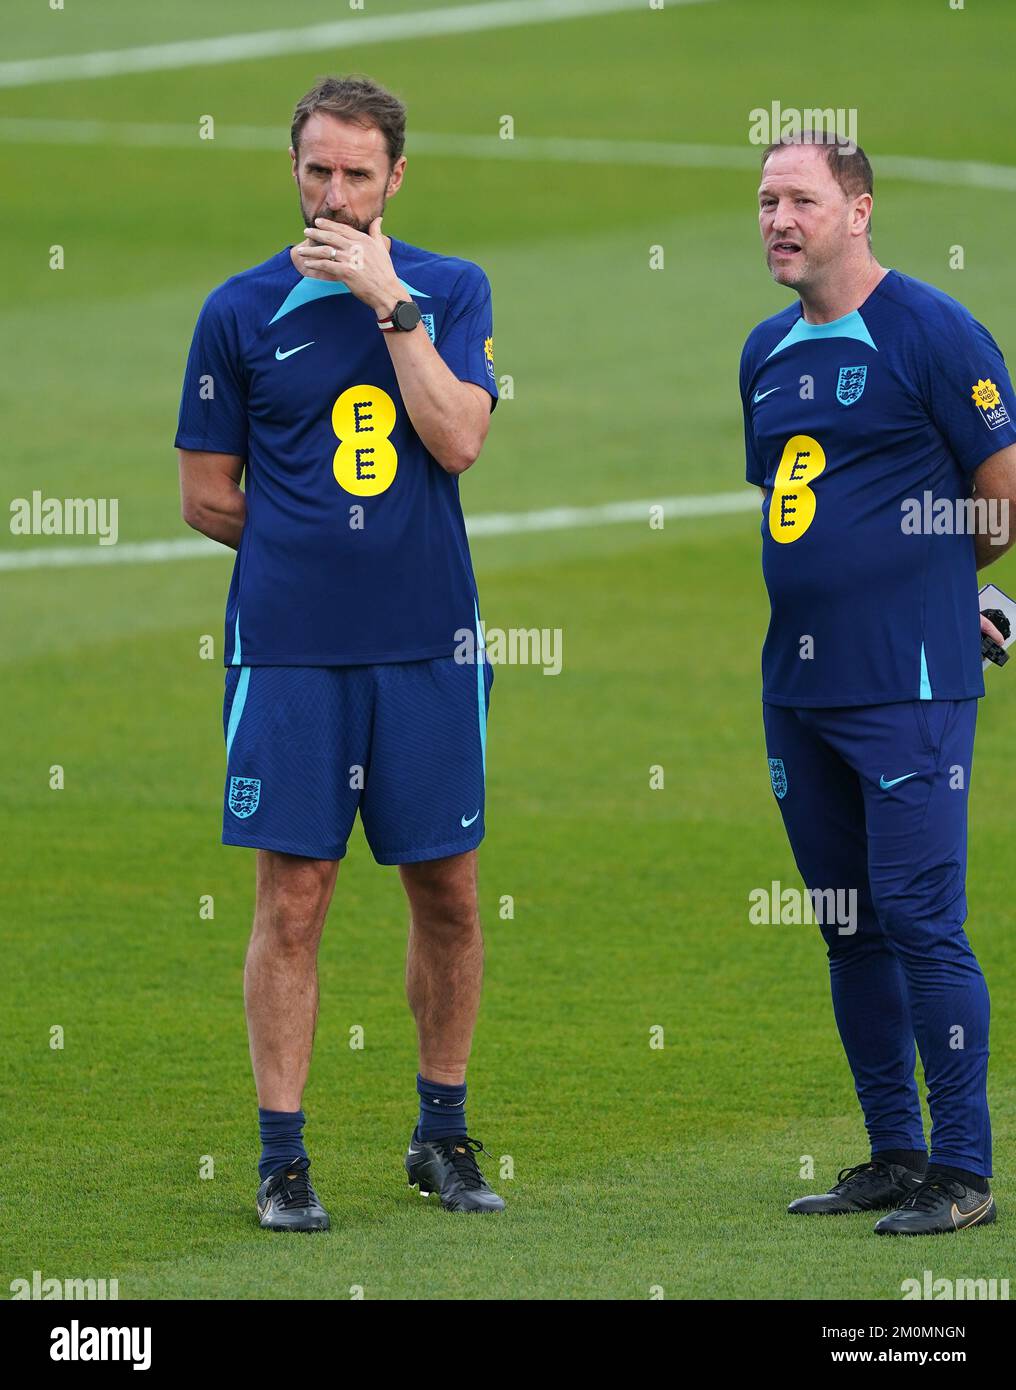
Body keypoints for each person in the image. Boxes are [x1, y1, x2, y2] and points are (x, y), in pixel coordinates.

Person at [176, 74, 504, 1230]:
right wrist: (315, 546)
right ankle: (280, 1159)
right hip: (293, 653)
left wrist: (389, 304)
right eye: (316, 169)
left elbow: (458, 437)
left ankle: (442, 1133)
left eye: (357, 173)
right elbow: (205, 493)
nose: (334, 192)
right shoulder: (236, 309)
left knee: (449, 895)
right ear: (293, 167)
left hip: (427, 645)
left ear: (395, 178)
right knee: (293, 899)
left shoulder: (451, 291)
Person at [740, 130, 1016, 1234]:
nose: (776, 219)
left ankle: (963, 1166)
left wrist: (954, 596)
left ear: (857, 210)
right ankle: (893, 1150)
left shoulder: (931, 331)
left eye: (799, 199)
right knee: (847, 925)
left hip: (905, 684)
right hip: (796, 685)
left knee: (916, 918)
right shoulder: (763, 350)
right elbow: (797, 508)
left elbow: (997, 497)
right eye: (764, 201)